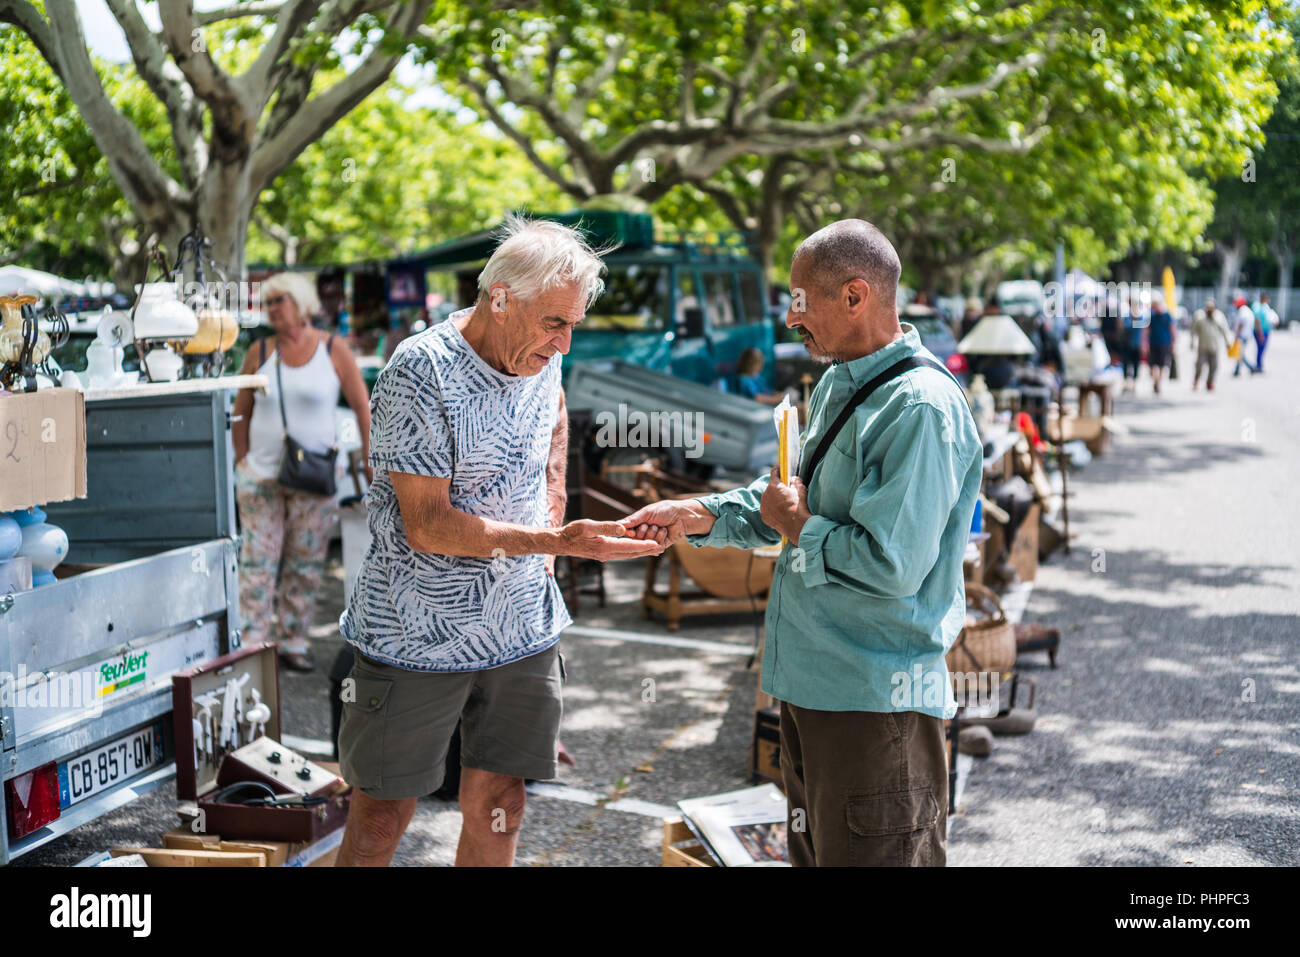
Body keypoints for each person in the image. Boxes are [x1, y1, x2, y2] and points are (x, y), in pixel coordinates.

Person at [623, 220, 982, 866]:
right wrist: (696, 513)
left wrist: (797, 525)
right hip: (813, 694)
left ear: (854, 296)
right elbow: (786, 499)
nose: (790, 320)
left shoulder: (920, 408)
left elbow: (890, 562)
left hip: (874, 706)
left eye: (799, 300)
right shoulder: (842, 383)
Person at [334, 216, 660, 867]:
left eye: (572, 325)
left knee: (502, 805)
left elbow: (555, 417)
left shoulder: (540, 356)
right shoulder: (419, 371)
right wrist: (557, 540)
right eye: (554, 323)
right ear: (500, 298)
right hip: (415, 631)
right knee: (379, 821)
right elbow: (429, 525)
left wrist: (552, 517)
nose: (564, 343)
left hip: (519, 627)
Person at [232, 273, 372, 673]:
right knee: (258, 563)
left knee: (305, 563)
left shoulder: (333, 348)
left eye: (280, 300)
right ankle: (252, 645)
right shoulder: (259, 351)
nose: (272, 308)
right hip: (260, 477)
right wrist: (240, 457)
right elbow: (241, 407)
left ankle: (293, 641)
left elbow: (362, 405)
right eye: (268, 302)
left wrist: (367, 456)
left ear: (302, 302)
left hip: (314, 477)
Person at [1189, 298, 1231, 391]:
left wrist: (1227, 342)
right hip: (1202, 346)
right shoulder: (1200, 318)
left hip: (1214, 346)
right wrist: (1192, 342)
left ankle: (1210, 382)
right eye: (1208, 308)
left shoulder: (1219, 317)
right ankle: (1196, 380)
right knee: (1199, 365)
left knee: (1214, 366)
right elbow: (1193, 330)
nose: (1209, 310)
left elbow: (1224, 330)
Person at [1147, 295, 1174, 395]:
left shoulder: (1167, 316)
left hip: (1164, 343)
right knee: (1154, 365)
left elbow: (1172, 329)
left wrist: (1173, 342)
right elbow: (1146, 330)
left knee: (1162, 365)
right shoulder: (1152, 316)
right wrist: (1145, 343)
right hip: (1153, 343)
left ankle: (1159, 382)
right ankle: (1156, 381)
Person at [1231, 295, 1257, 378]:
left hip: (1242, 335)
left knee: (1240, 354)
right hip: (1246, 335)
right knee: (1239, 353)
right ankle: (1237, 369)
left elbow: (1241, 324)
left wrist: (1237, 335)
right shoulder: (1247, 310)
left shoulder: (1243, 311)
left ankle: (1251, 367)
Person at [1251, 293, 1275, 373]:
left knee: (1262, 348)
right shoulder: (1257, 307)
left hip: (1266, 330)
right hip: (1260, 331)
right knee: (1260, 348)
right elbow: (1257, 321)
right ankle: (1259, 365)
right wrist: (1260, 333)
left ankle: (1259, 364)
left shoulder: (1265, 307)